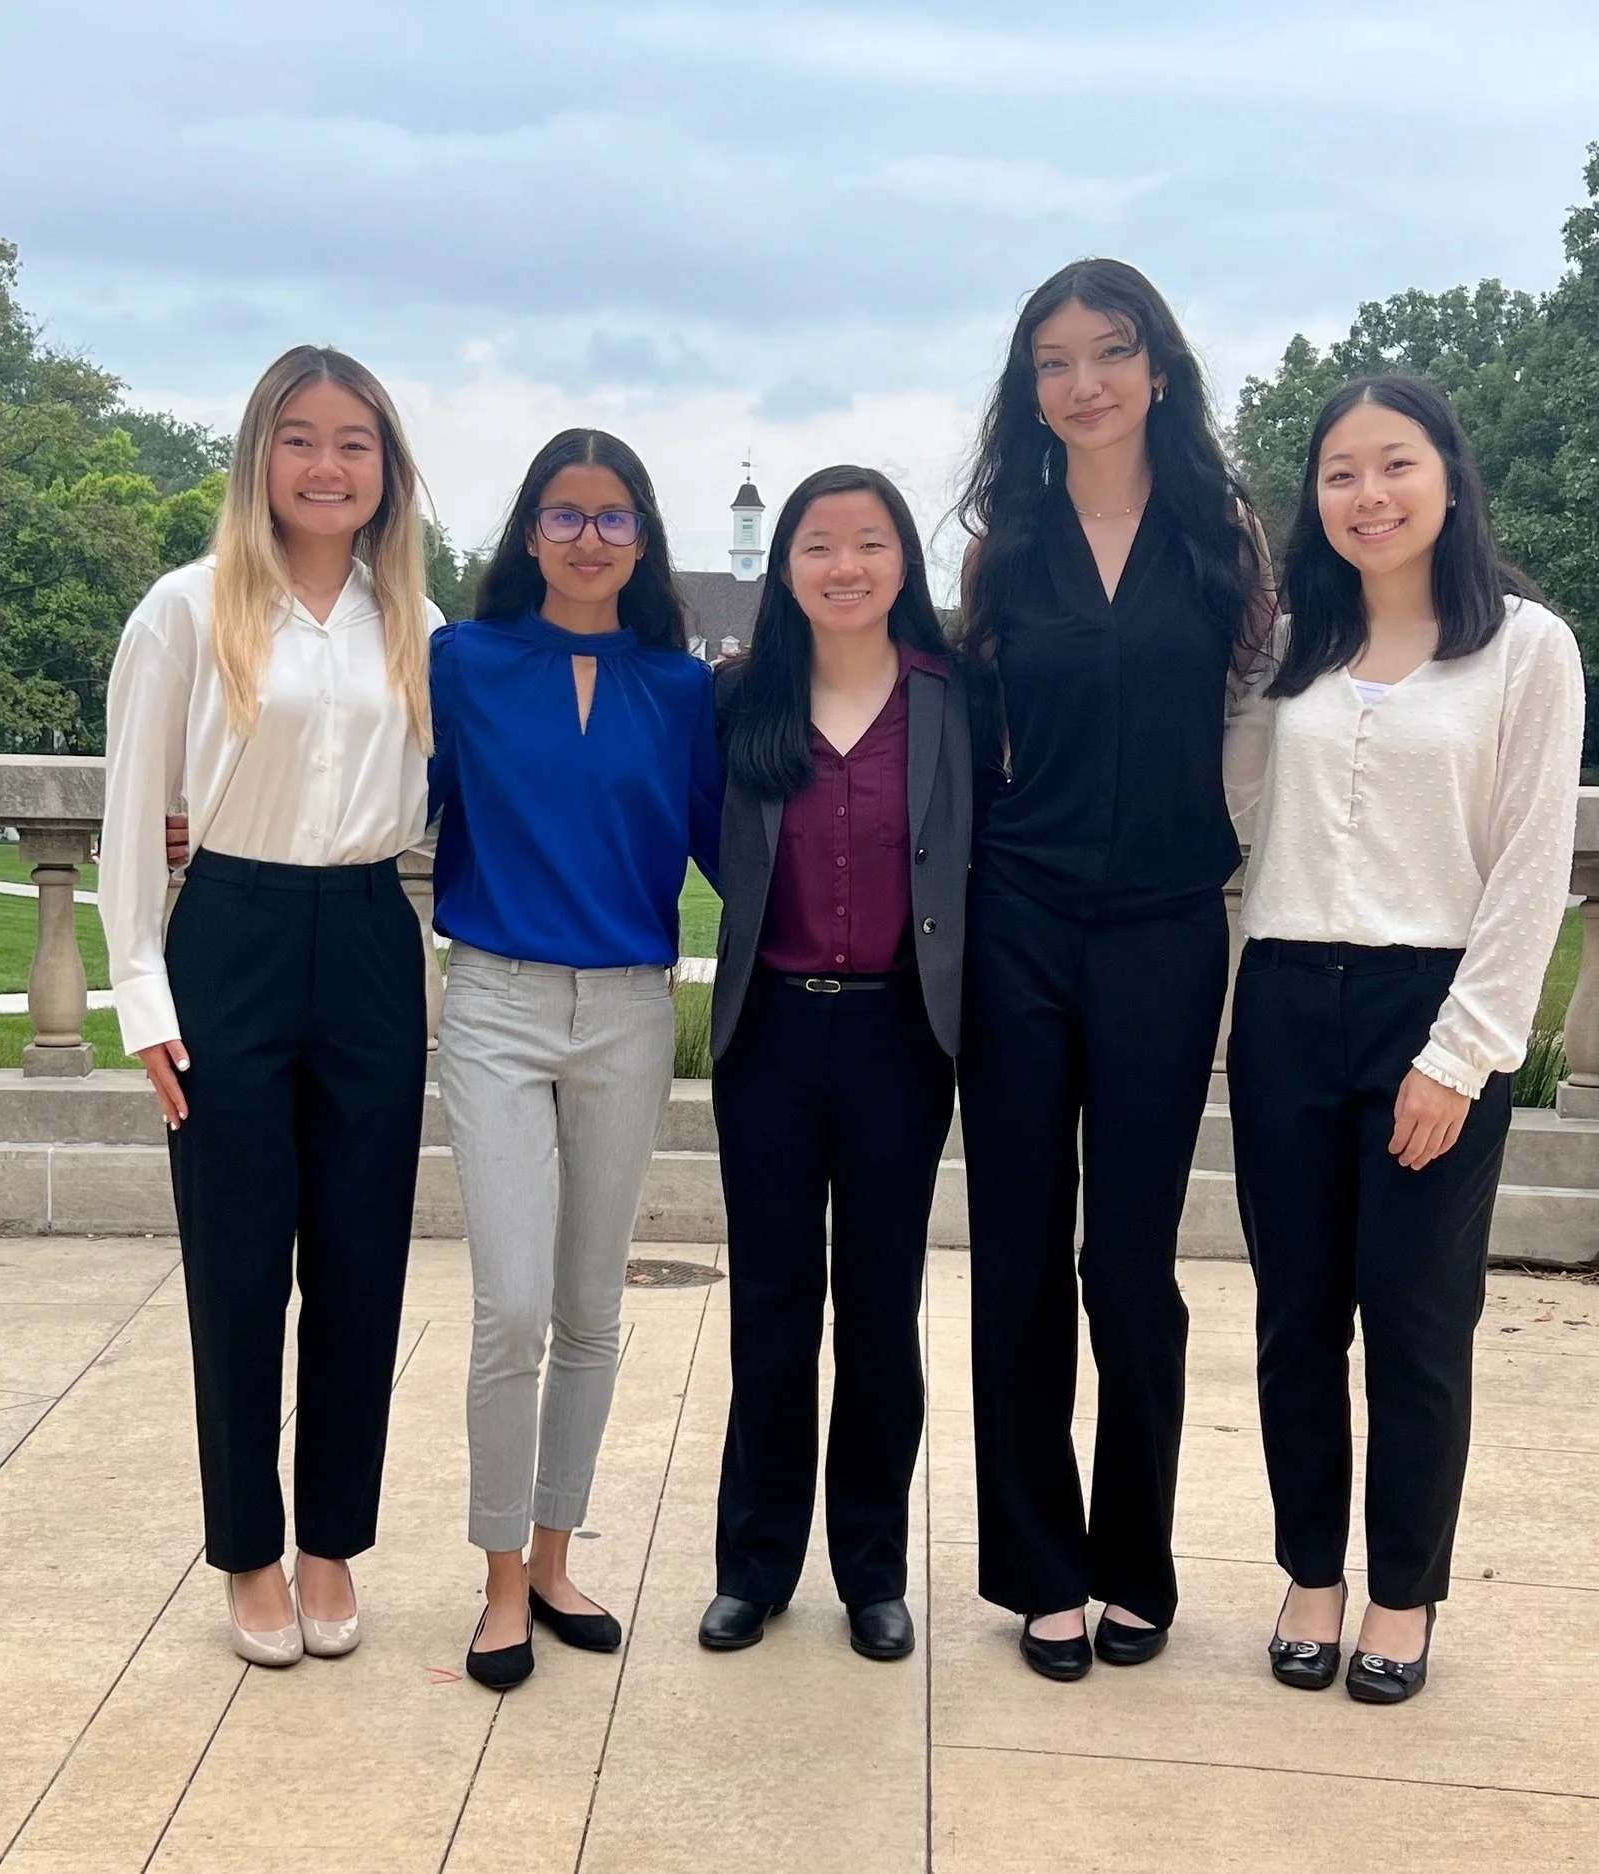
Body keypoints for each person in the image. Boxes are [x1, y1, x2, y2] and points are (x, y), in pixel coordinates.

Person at [1224, 374, 1584, 1703]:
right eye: (1337, 472)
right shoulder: (1289, 654)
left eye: (1393, 464)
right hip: (1280, 998)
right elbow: (1228, 802)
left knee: (1417, 1324)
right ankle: (1308, 1569)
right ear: (1311, 500)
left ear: (1445, 475)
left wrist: (1459, 1053)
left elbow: (1529, 866)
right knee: (1294, 1319)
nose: (1366, 494)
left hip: (1428, 1003)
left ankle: (1399, 1593)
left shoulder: (1523, 648)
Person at [955, 257, 1271, 1681]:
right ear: (1029, 391)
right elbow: (960, 744)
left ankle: (1134, 1555)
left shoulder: (1224, 535)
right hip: (1016, 919)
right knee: (1018, 1254)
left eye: (1108, 352)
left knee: (1129, 1263)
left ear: (1157, 367)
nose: (1082, 383)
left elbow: (1278, 727)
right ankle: (1040, 1567)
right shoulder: (1002, 549)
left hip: (1162, 927)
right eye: (1053, 362)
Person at [100, 345, 437, 1667]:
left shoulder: (415, 628)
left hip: (365, 934)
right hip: (229, 934)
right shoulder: (185, 611)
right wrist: (141, 995)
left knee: (361, 1265)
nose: (326, 464)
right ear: (259, 457)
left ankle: (331, 1544)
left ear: (384, 470)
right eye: (299, 438)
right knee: (239, 1271)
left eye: (354, 441)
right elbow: (133, 814)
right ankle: (247, 1549)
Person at [428, 429, 721, 1693]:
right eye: (564, 514)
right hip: (493, 997)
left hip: (627, 1010)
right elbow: (380, 791)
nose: (588, 537)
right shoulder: (465, 660)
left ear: (642, 538)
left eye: (611, 517)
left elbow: (730, 844)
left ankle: (554, 1557)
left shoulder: (681, 686)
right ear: (529, 533)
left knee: (592, 1308)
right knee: (508, 1307)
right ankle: (498, 1578)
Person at [699, 466, 970, 1662]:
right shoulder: (737, 702)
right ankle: (752, 1564)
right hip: (767, 1030)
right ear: (784, 564)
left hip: (896, 1038)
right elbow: (699, 839)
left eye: (868, 542)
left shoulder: (955, 701)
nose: (844, 565)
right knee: (768, 1304)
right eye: (818, 543)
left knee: (875, 1311)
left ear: (903, 561)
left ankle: (870, 1565)